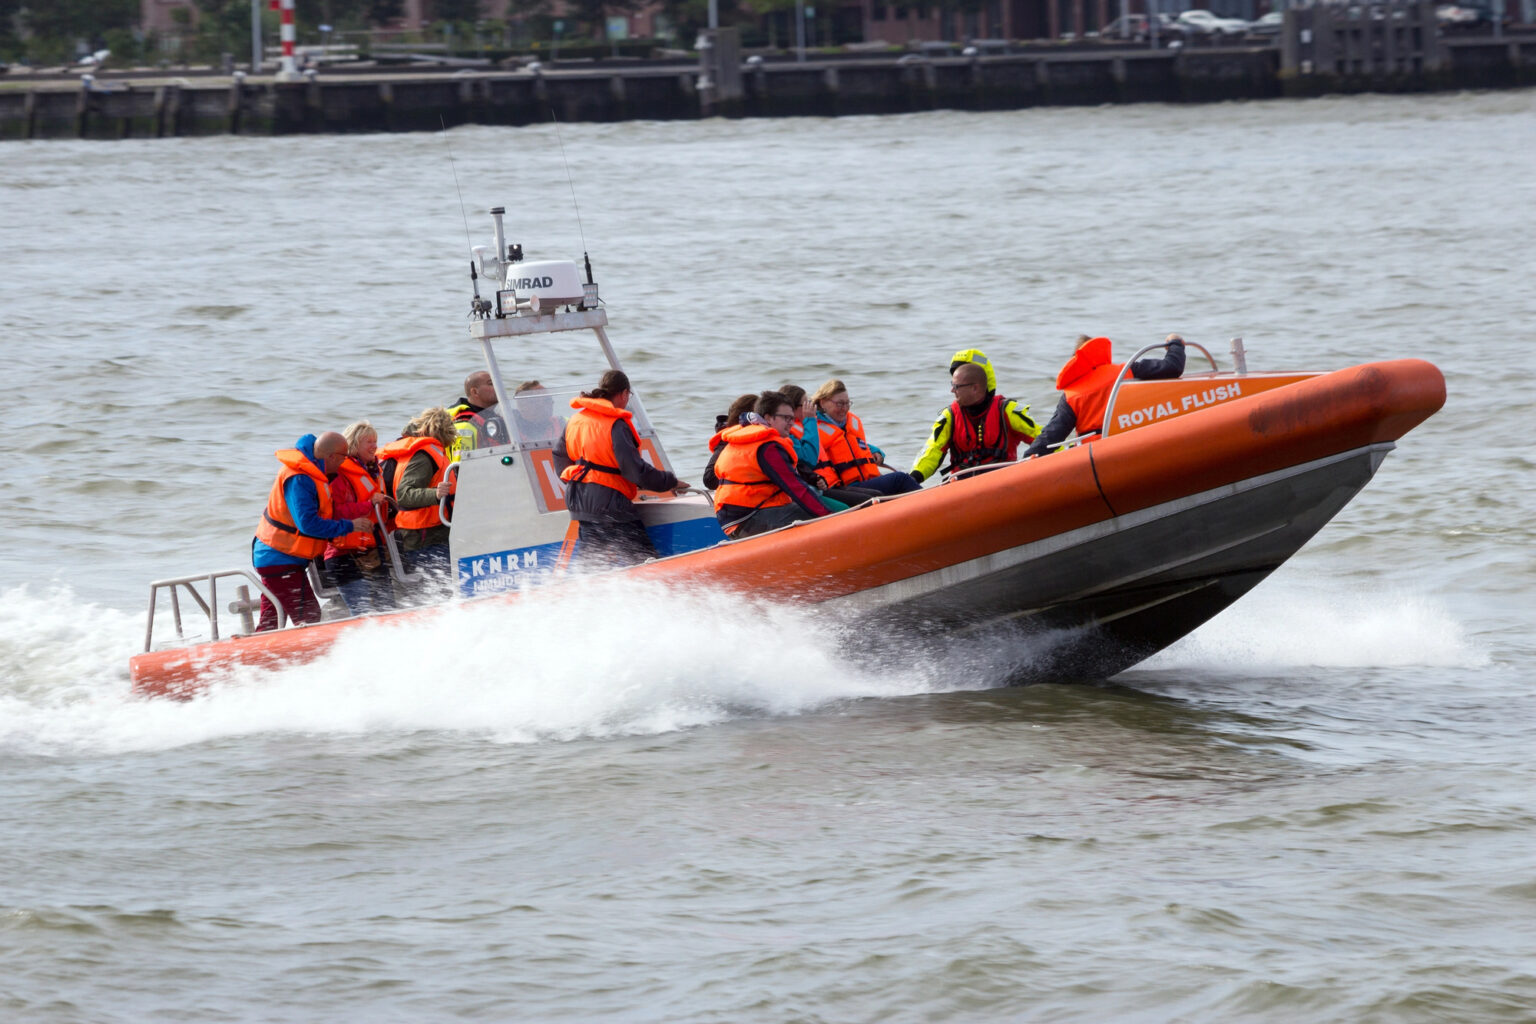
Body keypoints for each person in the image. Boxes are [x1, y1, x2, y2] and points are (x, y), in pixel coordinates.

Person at [553, 369, 690, 569]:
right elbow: (634, 471)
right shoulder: (615, 424)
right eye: (628, 396)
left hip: (580, 503)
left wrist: (577, 480)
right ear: (624, 394)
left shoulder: (576, 420)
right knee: (645, 562)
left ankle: (588, 595)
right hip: (611, 506)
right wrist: (670, 481)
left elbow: (558, 455)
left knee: (593, 567)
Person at [251, 431, 373, 632]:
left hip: (280, 558)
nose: (344, 463)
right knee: (310, 618)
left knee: (270, 623)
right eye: (344, 457)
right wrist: (350, 526)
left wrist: (360, 510)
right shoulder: (300, 478)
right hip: (279, 559)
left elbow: (328, 512)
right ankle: (313, 660)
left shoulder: (314, 473)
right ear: (332, 456)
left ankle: (254, 659)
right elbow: (308, 524)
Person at [1023, 333, 1187, 458]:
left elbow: (1050, 437)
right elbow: (1172, 367)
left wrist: (1026, 459)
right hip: (1134, 446)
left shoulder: (1071, 396)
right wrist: (1175, 344)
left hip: (1094, 458)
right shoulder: (1126, 371)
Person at [712, 391, 835, 537]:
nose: (791, 422)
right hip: (747, 518)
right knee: (817, 513)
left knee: (811, 508)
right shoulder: (767, 447)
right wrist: (831, 518)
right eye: (785, 418)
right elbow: (796, 488)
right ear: (768, 418)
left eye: (792, 418)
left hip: (739, 515)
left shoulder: (754, 438)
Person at [909, 349, 1042, 483]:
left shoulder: (1007, 410)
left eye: (957, 385)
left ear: (975, 387)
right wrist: (914, 477)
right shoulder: (950, 416)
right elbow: (932, 450)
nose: (952, 390)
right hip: (962, 487)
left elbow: (1042, 438)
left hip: (1003, 483)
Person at [376, 407, 456, 597]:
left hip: (434, 532)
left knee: (442, 586)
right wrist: (435, 494)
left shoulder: (430, 451)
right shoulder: (424, 455)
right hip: (424, 535)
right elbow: (404, 494)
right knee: (441, 590)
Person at [321, 420, 395, 616]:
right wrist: (370, 504)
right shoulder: (340, 474)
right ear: (354, 443)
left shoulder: (373, 471)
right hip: (342, 554)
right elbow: (334, 512)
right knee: (363, 612)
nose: (374, 446)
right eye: (369, 441)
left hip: (371, 551)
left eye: (376, 441)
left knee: (388, 609)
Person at [811, 379, 921, 497]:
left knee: (901, 485)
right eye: (840, 403)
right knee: (900, 479)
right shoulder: (813, 427)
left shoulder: (850, 422)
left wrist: (873, 451)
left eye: (847, 403)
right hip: (845, 487)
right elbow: (812, 454)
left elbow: (855, 445)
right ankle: (931, 502)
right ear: (823, 403)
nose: (844, 408)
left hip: (866, 481)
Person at [777, 383, 880, 508]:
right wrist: (810, 420)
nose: (810, 407)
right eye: (805, 404)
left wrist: (874, 450)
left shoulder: (808, 425)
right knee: (870, 499)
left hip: (830, 483)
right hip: (818, 488)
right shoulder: (798, 427)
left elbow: (848, 443)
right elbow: (810, 457)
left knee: (876, 495)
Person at [448, 370, 509, 459]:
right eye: (491, 384)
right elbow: (460, 464)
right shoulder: (464, 422)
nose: (497, 386)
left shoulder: (495, 417)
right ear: (475, 392)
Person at [508, 380, 566, 444]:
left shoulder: (561, 424)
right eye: (546, 400)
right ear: (523, 406)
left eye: (549, 399)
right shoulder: (506, 429)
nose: (550, 404)